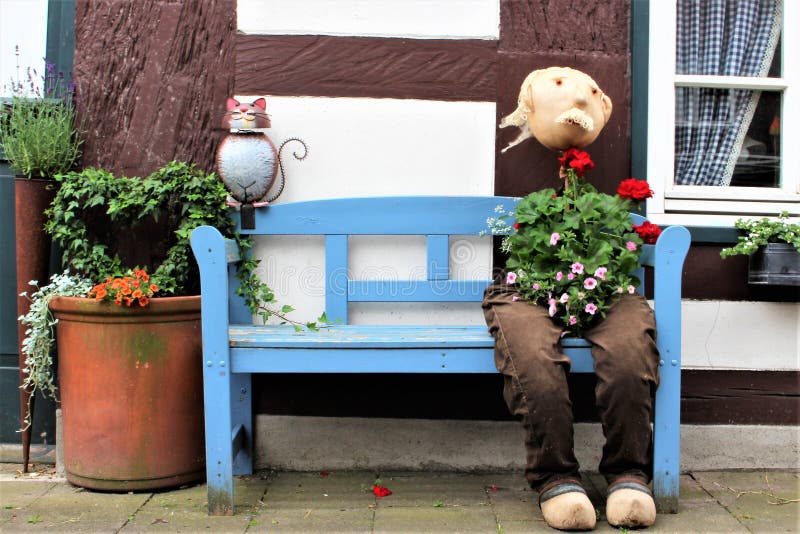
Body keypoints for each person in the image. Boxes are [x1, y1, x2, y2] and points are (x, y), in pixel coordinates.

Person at [484, 67, 658, 531]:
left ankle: (628, 476)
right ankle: (556, 479)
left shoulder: (597, 208)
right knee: (534, 361)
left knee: (628, 354)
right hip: (528, 287)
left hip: (600, 284)